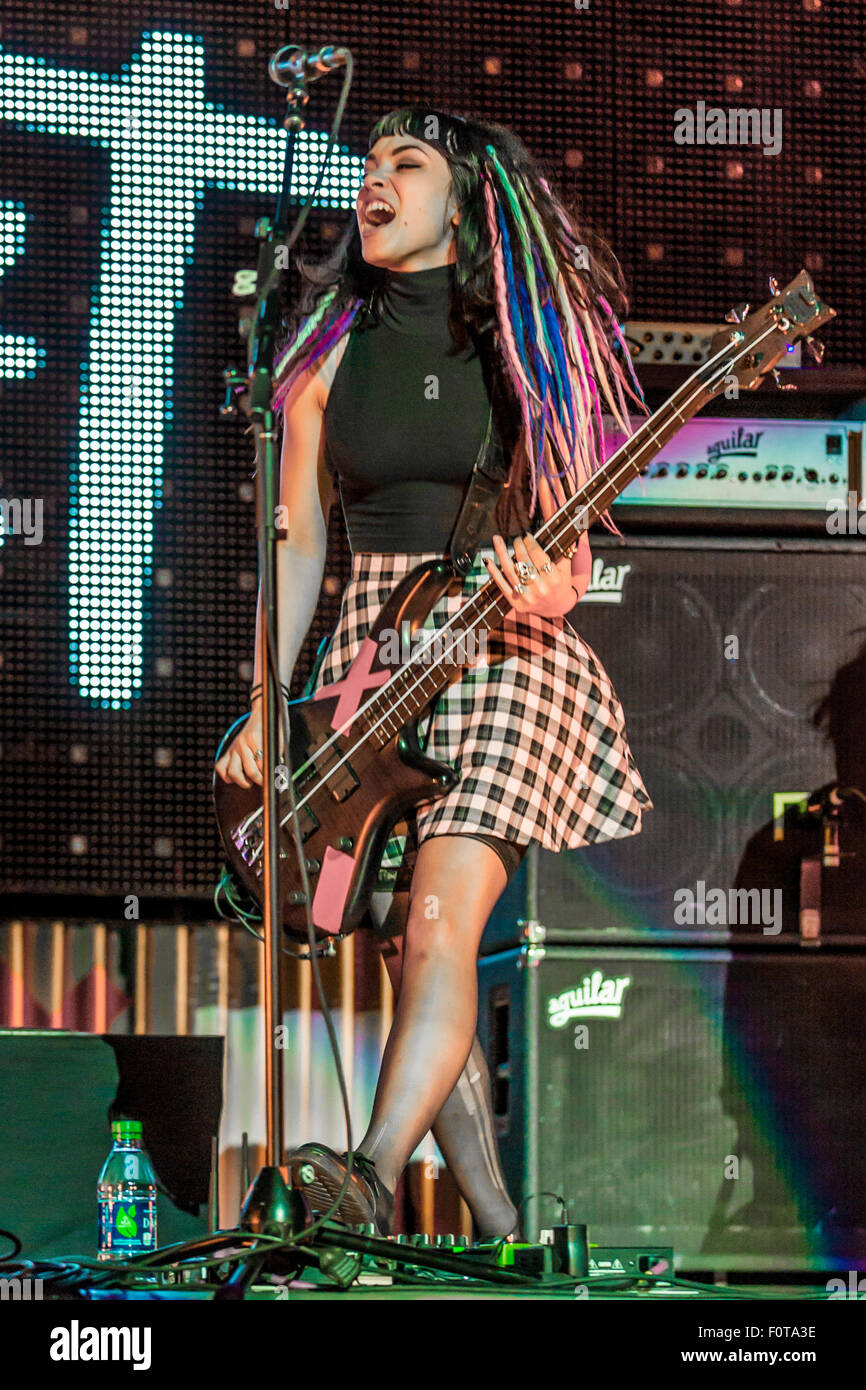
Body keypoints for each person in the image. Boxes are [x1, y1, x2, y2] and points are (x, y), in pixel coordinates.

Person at [215, 106, 652, 1241]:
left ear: (460, 201)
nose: (375, 180)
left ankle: (362, 1174)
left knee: (445, 924)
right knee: (410, 945)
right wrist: (269, 698)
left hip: (501, 648)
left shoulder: (520, 344)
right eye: (366, 164)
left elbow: (571, 550)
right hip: (375, 659)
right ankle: (508, 1231)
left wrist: (548, 589)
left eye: (403, 165)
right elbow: (299, 542)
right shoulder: (322, 360)